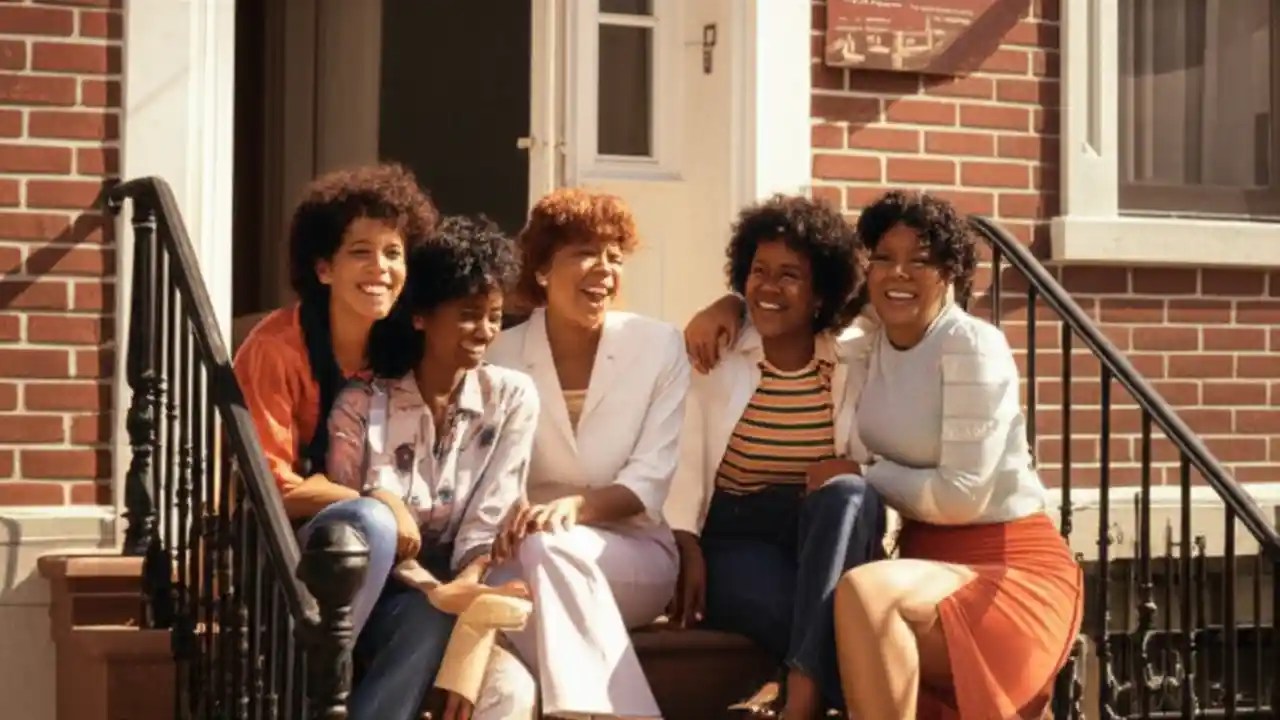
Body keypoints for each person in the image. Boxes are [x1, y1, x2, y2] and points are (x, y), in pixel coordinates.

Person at [824, 191, 1081, 718]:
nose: (899, 273)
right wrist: (728, 309)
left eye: (920, 261)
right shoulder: (872, 339)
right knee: (855, 601)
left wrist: (864, 475)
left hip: (1007, 570)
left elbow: (963, 496)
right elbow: (793, 317)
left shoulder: (971, 344)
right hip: (926, 568)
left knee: (866, 594)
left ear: (950, 274)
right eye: (884, 258)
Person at [233, 162, 443, 720]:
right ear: (324, 267)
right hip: (279, 557)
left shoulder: (401, 350)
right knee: (368, 524)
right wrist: (379, 501)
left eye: (394, 253)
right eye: (361, 252)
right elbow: (268, 485)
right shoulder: (276, 348)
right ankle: (304, 689)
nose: (381, 268)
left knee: (431, 612)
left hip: (374, 566)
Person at [664, 195, 884, 719]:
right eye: (758, 271)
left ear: (820, 293)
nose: (768, 286)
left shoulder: (853, 357)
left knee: (849, 492)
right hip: (737, 535)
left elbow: (897, 302)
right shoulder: (717, 354)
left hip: (822, 532)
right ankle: (807, 692)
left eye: (790, 275)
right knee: (817, 616)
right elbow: (683, 455)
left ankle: (797, 699)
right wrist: (684, 541)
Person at [479, 188, 690, 720]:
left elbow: (649, 480)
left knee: (549, 550)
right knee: (514, 588)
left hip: (634, 554)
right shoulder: (499, 355)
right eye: (585, 253)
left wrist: (574, 508)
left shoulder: (659, 345)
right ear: (542, 271)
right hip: (521, 556)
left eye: (615, 256)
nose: (605, 269)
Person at [325, 215, 539, 720]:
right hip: (368, 598)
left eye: (494, 316)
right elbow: (353, 526)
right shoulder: (362, 404)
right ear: (421, 317)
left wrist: (465, 587)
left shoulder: (511, 397)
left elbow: (492, 512)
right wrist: (435, 590)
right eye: (468, 315)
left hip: (462, 594)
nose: (485, 331)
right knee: (425, 613)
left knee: (511, 692)